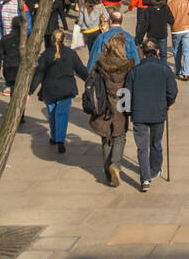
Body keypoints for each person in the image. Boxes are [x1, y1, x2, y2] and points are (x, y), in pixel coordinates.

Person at [124, 40, 178, 192]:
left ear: (142, 52)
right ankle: (155, 169)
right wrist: (169, 103)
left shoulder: (134, 71)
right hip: (158, 112)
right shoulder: (164, 69)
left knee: (142, 147)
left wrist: (128, 112)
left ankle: (145, 178)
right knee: (156, 143)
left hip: (139, 113)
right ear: (158, 52)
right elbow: (172, 91)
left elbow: (127, 93)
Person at [28, 29, 88, 154]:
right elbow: (80, 69)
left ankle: (54, 137)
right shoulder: (70, 53)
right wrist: (90, 80)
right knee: (62, 114)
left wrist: (30, 91)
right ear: (64, 39)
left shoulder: (45, 54)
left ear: (51, 40)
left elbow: (39, 74)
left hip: (49, 89)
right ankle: (60, 140)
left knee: (52, 113)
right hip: (66, 89)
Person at [89, 37, 135, 187]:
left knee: (105, 138)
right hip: (121, 105)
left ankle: (108, 173)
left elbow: (90, 81)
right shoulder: (127, 65)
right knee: (120, 137)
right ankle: (115, 164)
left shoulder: (100, 64)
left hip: (104, 106)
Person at [0, 15, 24, 96]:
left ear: (12, 25)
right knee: (18, 91)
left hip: (8, 67)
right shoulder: (24, 39)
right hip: (20, 67)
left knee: (12, 87)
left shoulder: (5, 39)